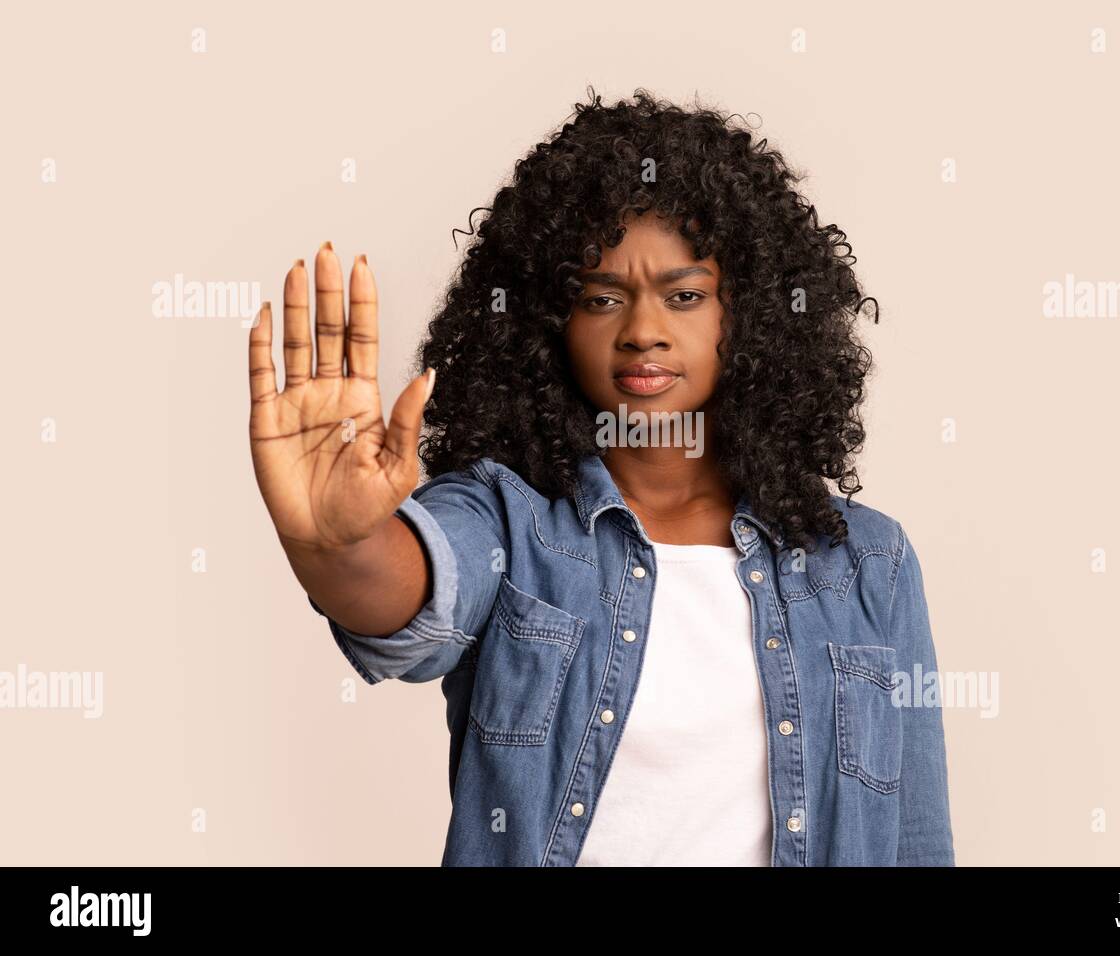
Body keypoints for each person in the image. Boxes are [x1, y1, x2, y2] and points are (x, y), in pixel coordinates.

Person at [247, 88, 954, 866]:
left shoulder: (867, 562)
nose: (643, 331)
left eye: (685, 297)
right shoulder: (509, 522)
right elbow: (414, 601)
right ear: (550, 324)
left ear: (744, 314)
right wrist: (334, 545)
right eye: (601, 298)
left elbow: (915, 837)